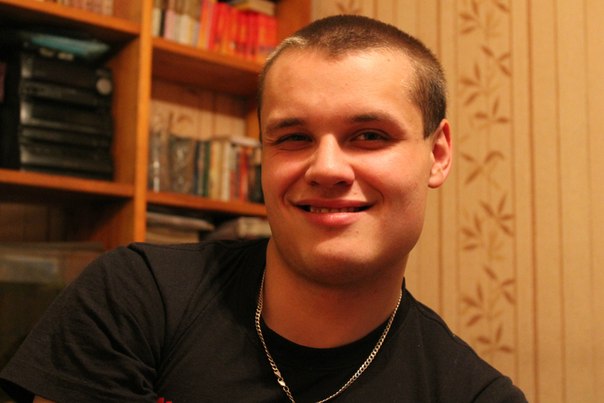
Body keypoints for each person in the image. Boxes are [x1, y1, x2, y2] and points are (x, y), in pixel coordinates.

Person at [0, 15, 527, 402]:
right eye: (293, 137)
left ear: (438, 155)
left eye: (369, 135)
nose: (326, 168)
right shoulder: (136, 296)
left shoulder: (473, 394)